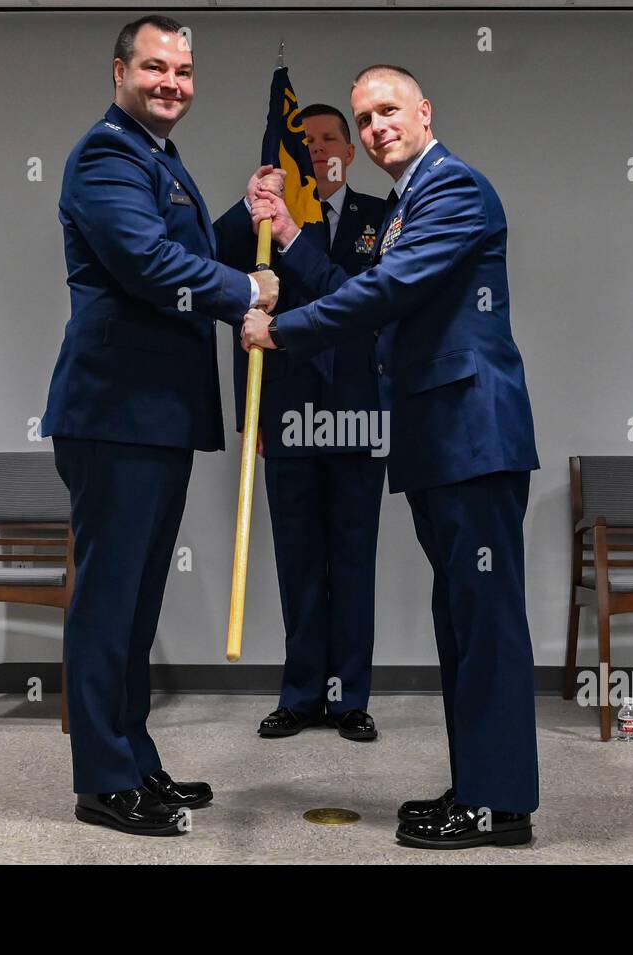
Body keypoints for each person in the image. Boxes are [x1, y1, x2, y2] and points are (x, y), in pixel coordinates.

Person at [242, 65, 540, 850]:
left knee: (487, 624)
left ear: (424, 111)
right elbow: (362, 284)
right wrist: (283, 229)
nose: (375, 128)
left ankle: (498, 806)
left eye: (386, 111)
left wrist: (284, 331)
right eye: (366, 118)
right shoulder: (413, 202)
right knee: (462, 622)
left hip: (472, 434)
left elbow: (387, 290)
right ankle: (478, 786)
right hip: (441, 439)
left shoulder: (453, 189)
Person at [42, 15, 279, 837]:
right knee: (109, 600)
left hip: (157, 415)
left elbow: (180, 250)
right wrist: (248, 292)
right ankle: (103, 781)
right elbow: (146, 263)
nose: (171, 81)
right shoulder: (107, 154)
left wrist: (236, 220)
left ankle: (135, 760)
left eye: (183, 69)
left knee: (137, 601)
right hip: (118, 411)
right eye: (155, 67)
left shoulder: (157, 159)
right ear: (118, 71)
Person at [214, 104, 387, 743]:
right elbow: (219, 277)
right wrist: (248, 203)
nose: (318, 150)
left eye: (329, 138)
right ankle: (302, 693)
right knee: (297, 560)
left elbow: (362, 307)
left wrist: (292, 237)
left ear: (349, 147)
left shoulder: (380, 220)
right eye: (306, 141)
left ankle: (349, 700)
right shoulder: (262, 227)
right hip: (285, 414)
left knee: (351, 560)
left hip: (358, 414)